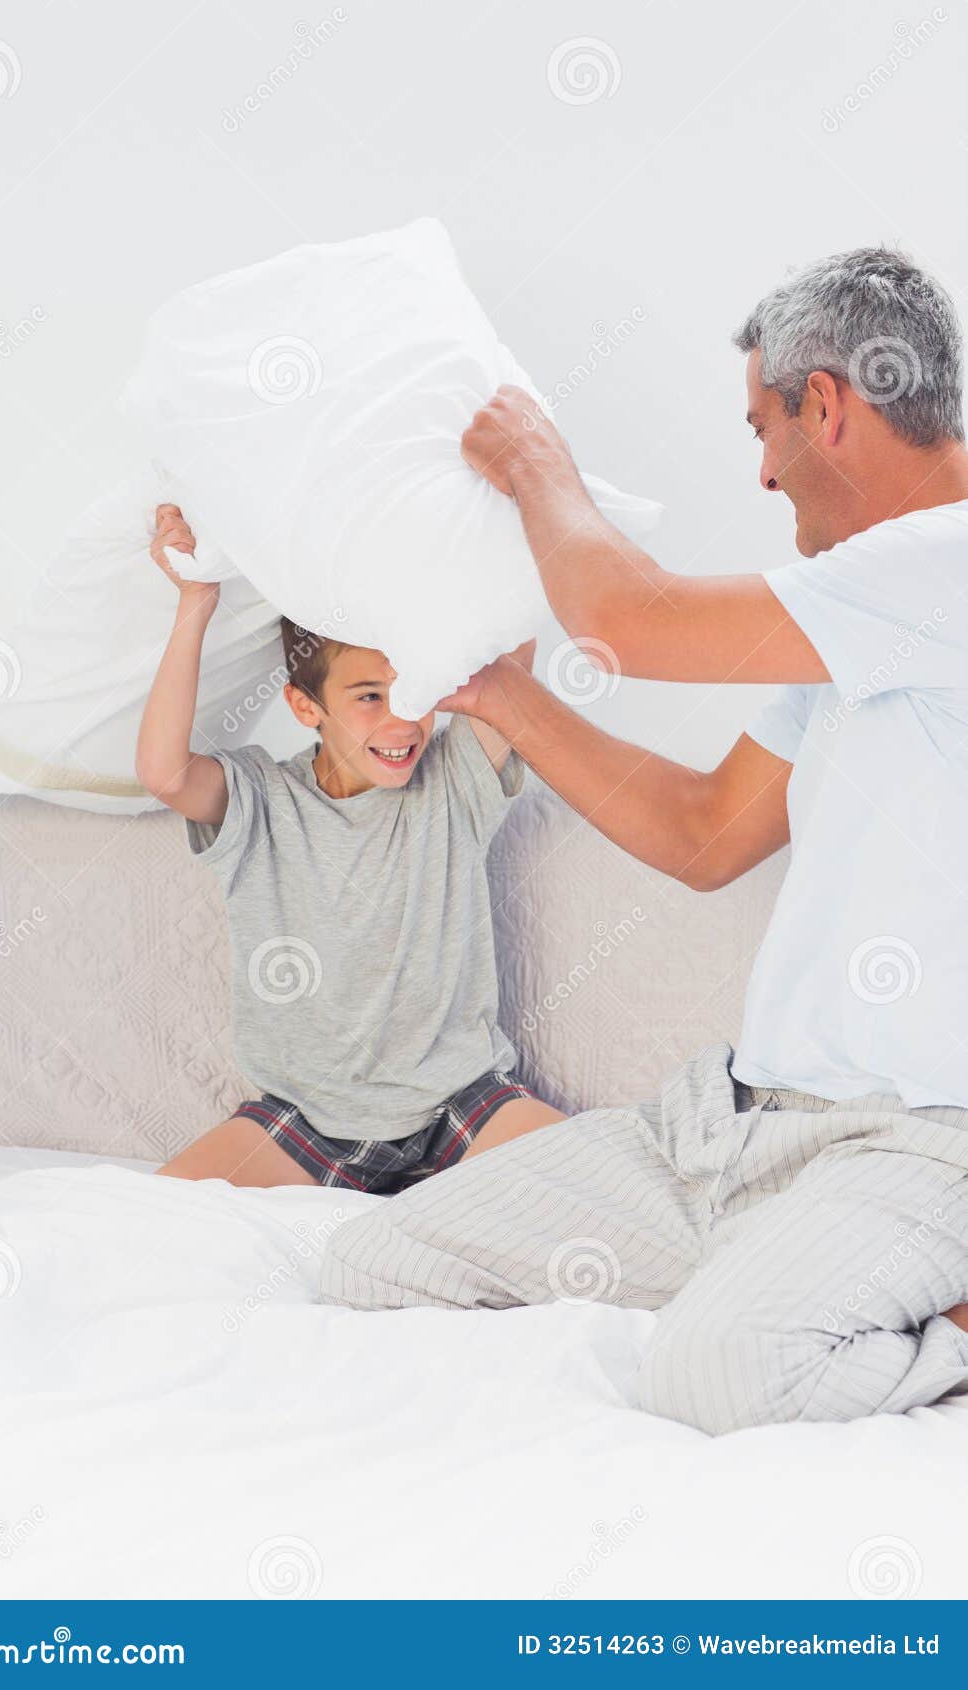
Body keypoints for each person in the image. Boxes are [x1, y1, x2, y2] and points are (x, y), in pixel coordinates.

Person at [318, 246, 968, 1435]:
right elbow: (704, 829)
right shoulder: (852, 629)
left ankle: (934, 1322)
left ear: (822, 403)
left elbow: (625, 617)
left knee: (715, 1374)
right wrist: (505, 698)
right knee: (376, 1262)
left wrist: (532, 465)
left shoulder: (947, 563)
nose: (763, 474)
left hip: (913, 1154)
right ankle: (771, 1269)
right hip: (731, 1129)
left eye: (761, 427)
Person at [134, 508, 563, 1191]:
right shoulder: (260, 801)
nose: (401, 720)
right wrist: (196, 602)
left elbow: (517, 642)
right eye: (368, 696)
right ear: (306, 708)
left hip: (460, 1105)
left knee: (598, 1185)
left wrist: (494, 501)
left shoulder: (454, 781)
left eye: (411, 689)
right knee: (152, 1219)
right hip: (306, 1122)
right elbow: (165, 773)